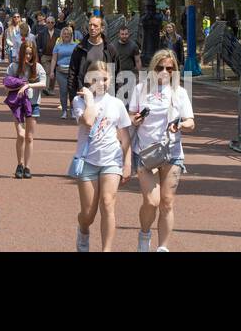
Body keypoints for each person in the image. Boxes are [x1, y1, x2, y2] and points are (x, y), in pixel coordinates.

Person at [129, 49, 195, 252]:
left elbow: (191, 122)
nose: (165, 72)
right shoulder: (141, 89)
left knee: (166, 202)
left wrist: (181, 125)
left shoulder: (180, 92)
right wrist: (136, 119)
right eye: (160, 68)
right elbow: (130, 117)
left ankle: (163, 248)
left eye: (169, 68)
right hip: (145, 151)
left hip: (171, 152)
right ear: (153, 69)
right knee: (151, 201)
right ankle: (144, 233)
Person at [70, 61, 132, 252]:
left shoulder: (117, 104)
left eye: (105, 79)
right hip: (88, 160)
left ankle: (106, 250)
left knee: (107, 203)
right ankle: (83, 229)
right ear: (89, 80)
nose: (101, 83)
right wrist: (89, 100)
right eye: (95, 79)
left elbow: (124, 136)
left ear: (110, 79)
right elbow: (88, 121)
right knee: (88, 214)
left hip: (111, 160)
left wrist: (127, 162)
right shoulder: (79, 101)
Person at [6, 38, 47, 179]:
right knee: (20, 135)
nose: (28, 56)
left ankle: (27, 167)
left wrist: (28, 85)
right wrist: (19, 84)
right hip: (18, 104)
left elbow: (43, 83)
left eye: (30, 54)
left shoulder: (38, 67)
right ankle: (19, 163)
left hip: (33, 104)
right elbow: (6, 83)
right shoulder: (13, 66)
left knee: (29, 137)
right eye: (26, 53)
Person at [67, 15, 118, 109]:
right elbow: (72, 74)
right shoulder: (79, 48)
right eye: (90, 25)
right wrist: (73, 97)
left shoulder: (110, 48)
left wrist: (117, 96)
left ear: (102, 28)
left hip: (105, 95)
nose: (92, 28)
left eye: (95, 25)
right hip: (85, 94)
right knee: (87, 122)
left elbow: (117, 72)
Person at [48, 25, 78, 116]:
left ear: (71, 35)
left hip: (72, 72)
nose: (66, 35)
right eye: (64, 34)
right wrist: (52, 71)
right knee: (63, 91)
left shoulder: (75, 45)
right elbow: (54, 59)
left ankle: (73, 110)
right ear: (61, 35)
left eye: (68, 34)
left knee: (72, 91)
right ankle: (64, 111)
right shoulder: (57, 46)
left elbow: (78, 59)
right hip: (60, 71)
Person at [112, 22, 142, 100]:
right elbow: (111, 61)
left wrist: (140, 75)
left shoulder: (133, 46)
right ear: (119, 35)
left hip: (130, 74)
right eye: (122, 34)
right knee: (119, 95)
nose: (124, 36)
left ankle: (129, 111)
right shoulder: (113, 46)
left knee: (130, 96)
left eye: (126, 34)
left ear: (129, 34)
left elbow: (138, 61)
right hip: (118, 74)